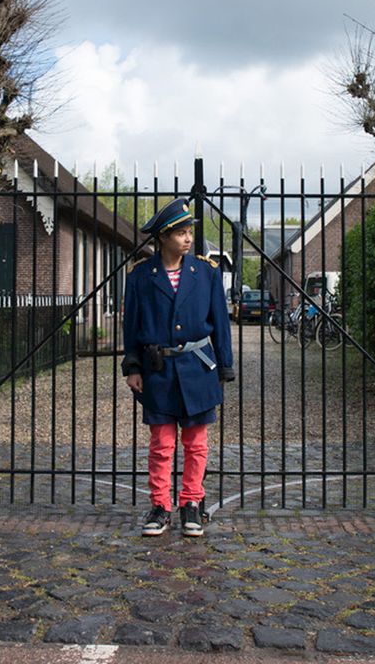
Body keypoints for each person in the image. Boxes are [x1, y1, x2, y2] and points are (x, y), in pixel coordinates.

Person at [122, 198, 234, 537]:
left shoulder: (207, 274)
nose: (188, 239)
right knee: (161, 443)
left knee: (197, 443)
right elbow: (132, 326)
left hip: (198, 368)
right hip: (158, 372)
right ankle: (160, 505)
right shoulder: (141, 276)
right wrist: (133, 366)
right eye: (181, 233)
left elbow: (221, 322)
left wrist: (225, 365)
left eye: (189, 233)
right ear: (163, 237)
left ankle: (192, 503)